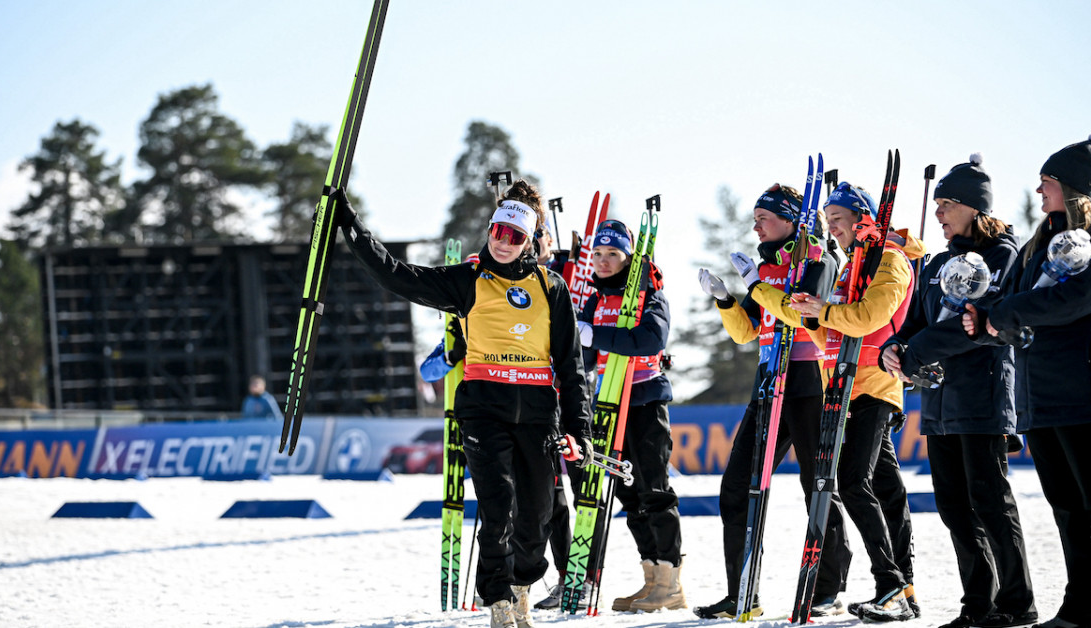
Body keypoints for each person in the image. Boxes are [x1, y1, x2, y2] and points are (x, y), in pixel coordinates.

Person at [332, 180, 593, 628]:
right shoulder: (468, 279)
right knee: (499, 505)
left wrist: (579, 431)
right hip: (483, 410)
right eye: (497, 231)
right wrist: (351, 227)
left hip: (536, 413)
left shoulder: (551, 287)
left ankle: (520, 588)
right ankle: (496, 603)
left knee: (536, 519)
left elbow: (570, 367)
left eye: (513, 236)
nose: (502, 241)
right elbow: (397, 274)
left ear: (529, 241)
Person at [963, 133, 1091, 628]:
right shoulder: (1040, 241)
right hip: (1040, 394)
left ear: (1070, 186)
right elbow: (1011, 300)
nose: (1038, 192)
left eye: (1046, 182)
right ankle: (1083, 603)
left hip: (1088, 390)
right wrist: (982, 318)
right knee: (1068, 508)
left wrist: (1004, 312)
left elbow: (1084, 297)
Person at [881, 154, 1036, 628]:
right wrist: (895, 345)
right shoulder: (937, 261)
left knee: (989, 498)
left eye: (948, 204)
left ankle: (1017, 603)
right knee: (952, 504)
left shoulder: (1001, 253)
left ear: (973, 207)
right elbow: (915, 321)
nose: (940, 213)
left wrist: (914, 351)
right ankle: (979, 603)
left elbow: (976, 325)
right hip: (939, 400)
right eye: (939, 203)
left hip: (982, 393)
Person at [693, 183, 851, 619]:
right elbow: (747, 331)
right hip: (769, 377)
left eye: (763, 217)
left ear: (789, 219)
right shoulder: (767, 266)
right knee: (736, 486)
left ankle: (829, 585)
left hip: (808, 379)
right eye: (755, 219)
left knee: (815, 485)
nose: (756, 226)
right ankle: (742, 590)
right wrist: (727, 299)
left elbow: (801, 312)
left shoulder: (818, 258)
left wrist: (757, 286)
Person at [788, 181, 924, 622]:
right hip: (846, 387)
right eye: (828, 220)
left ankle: (890, 585)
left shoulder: (890, 259)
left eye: (839, 218)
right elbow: (833, 332)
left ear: (863, 218)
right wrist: (810, 314)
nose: (833, 228)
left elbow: (869, 318)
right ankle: (902, 586)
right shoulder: (850, 267)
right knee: (885, 488)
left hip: (876, 386)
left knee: (852, 482)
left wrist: (823, 312)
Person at [573, 218, 683, 612]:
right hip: (608, 400)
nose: (603, 262)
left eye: (612, 254)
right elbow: (585, 350)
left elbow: (650, 339)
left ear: (628, 257)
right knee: (628, 492)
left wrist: (594, 335)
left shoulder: (649, 292)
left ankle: (671, 582)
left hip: (644, 401)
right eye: (598, 254)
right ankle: (652, 576)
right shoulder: (595, 297)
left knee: (654, 489)